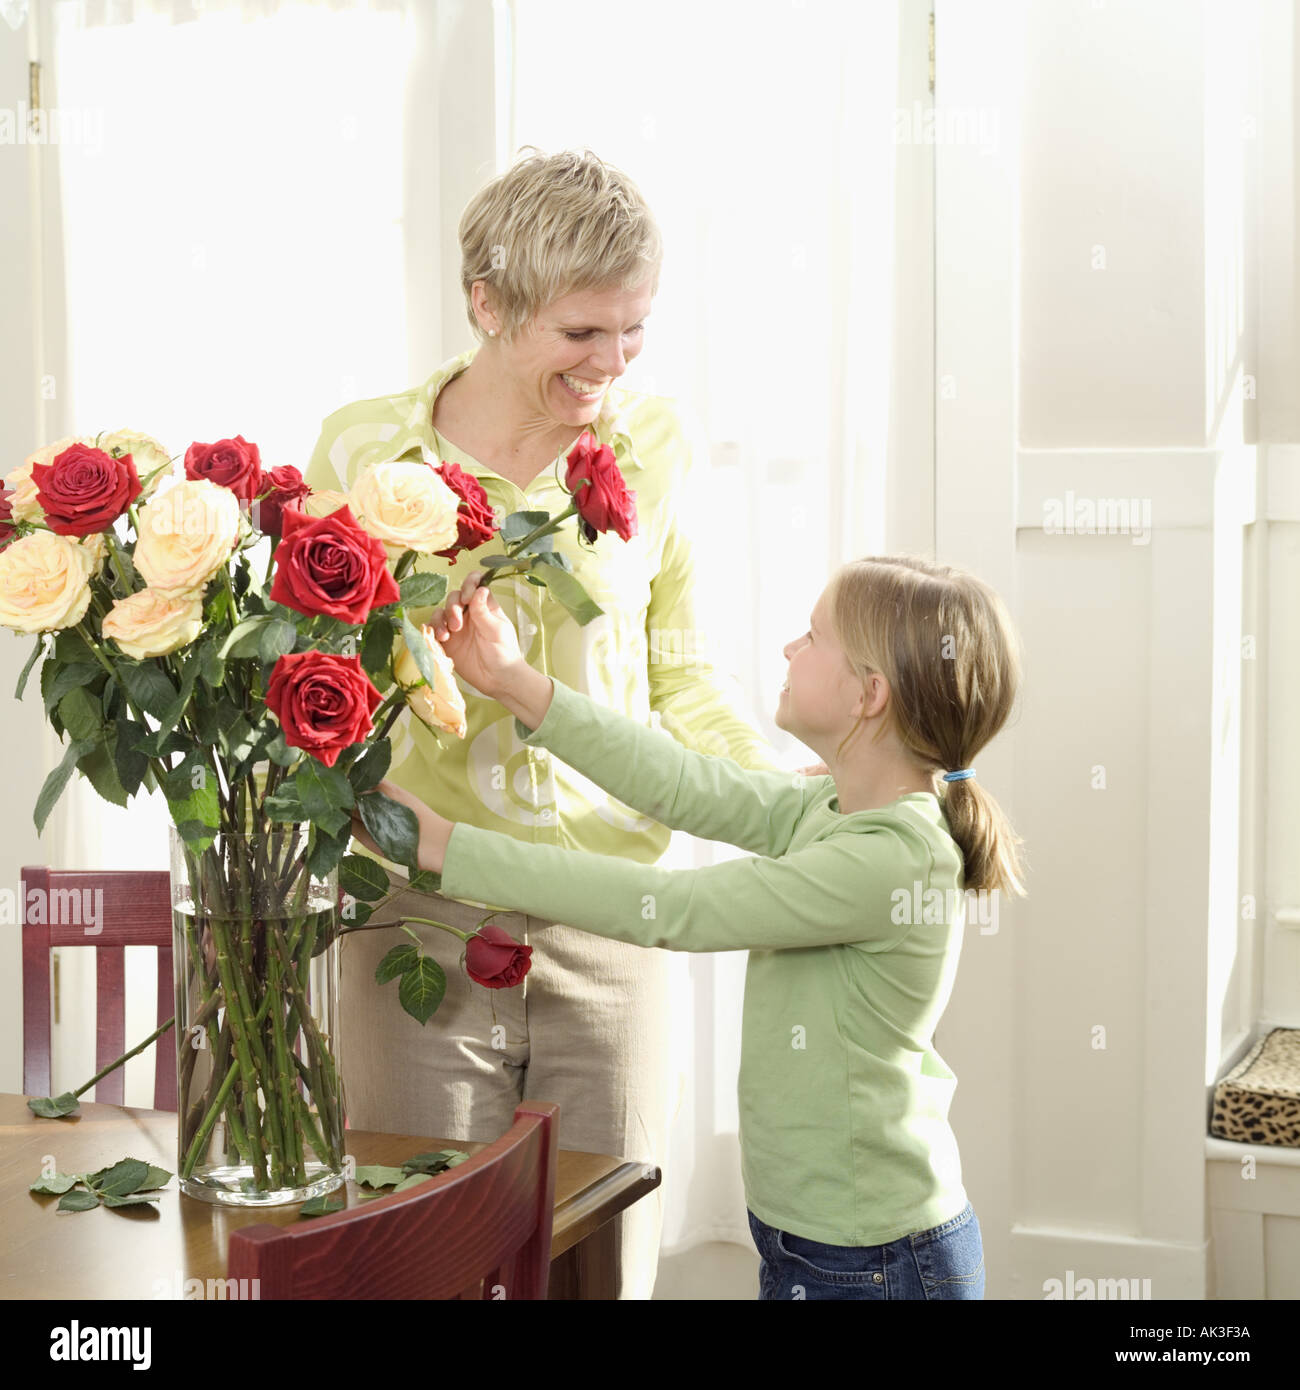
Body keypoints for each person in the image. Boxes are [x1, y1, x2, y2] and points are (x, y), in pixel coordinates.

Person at [304, 148, 806, 1300]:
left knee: (598, 1271)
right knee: (415, 1262)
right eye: (582, 333)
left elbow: (676, 673)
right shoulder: (363, 450)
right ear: (487, 302)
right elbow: (318, 689)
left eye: (633, 330)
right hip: (416, 910)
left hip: (615, 910)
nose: (613, 364)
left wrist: (791, 805)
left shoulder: (651, 445)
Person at [351, 556, 1028, 1301]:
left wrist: (447, 848)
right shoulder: (829, 810)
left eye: (812, 637)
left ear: (870, 695)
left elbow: (674, 908)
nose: (789, 650)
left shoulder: (894, 859)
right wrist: (515, 680)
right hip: (818, 1241)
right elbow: (677, 781)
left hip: (878, 1260)